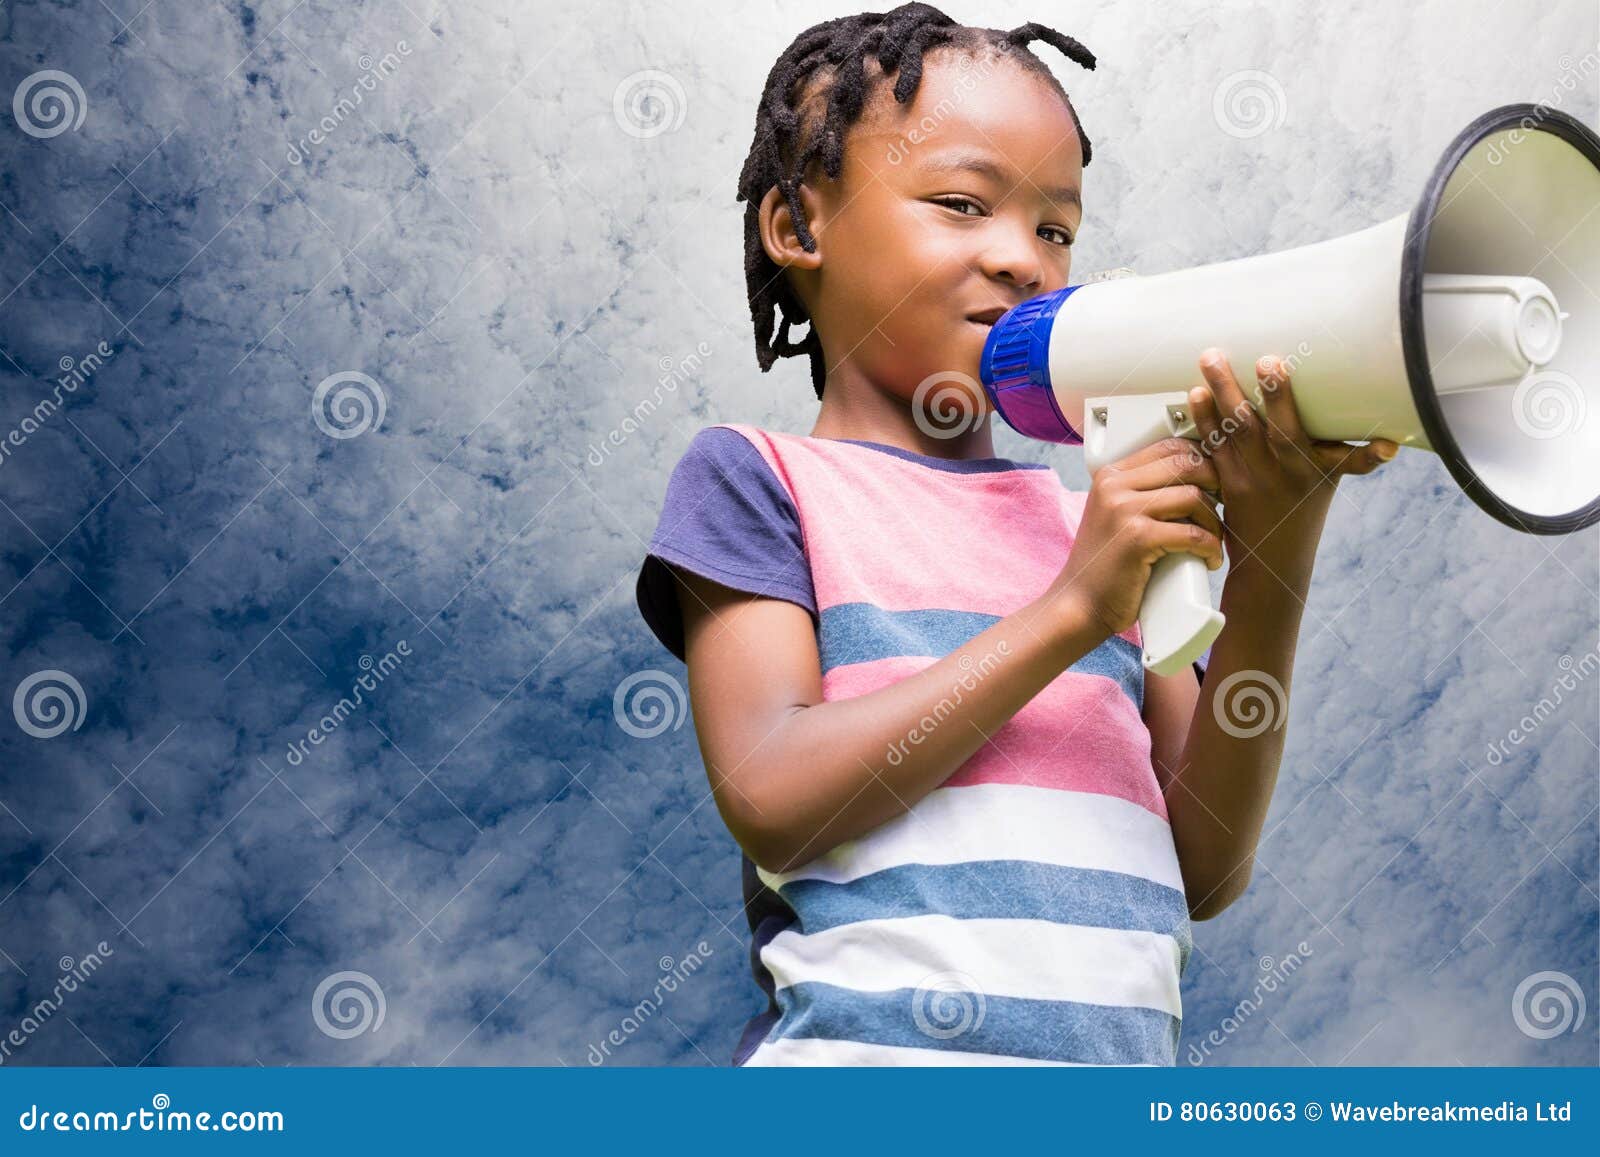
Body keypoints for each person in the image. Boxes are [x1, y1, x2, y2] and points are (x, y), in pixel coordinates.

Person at [634, 2, 1396, 1066]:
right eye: (959, 203)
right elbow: (772, 792)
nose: (1023, 261)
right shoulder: (760, 478)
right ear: (796, 227)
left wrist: (1279, 531)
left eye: (1054, 229)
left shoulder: (1095, 516)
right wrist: (1072, 609)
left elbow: (1205, 866)